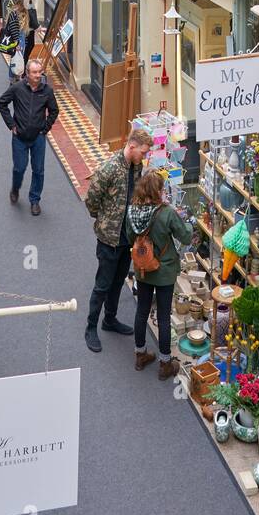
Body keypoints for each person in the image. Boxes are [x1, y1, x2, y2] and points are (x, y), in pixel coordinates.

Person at [82, 127, 151, 353]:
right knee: (102, 284)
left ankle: (109, 320)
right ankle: (91, 327)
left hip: (126, 238)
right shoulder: (109, 169)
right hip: (109, 238)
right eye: (143, 152)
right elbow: (91, 200)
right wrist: (104, 220)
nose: (145, 156)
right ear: (131, 147)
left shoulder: (136, 166)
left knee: (118, 281)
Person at [126, 169, 193, 379]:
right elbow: (186, 237)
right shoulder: (166, 213)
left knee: (142, 311)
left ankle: (140, 354)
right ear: (158, 191)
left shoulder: (132, 212)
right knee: (164, 317)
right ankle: (165, 364)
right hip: (164, 271)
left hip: (143, 269)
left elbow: (130, 238)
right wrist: (189, 225)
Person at [0, 58, 59, 217]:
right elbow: (2, 103)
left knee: (38, 170)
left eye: (40, 72)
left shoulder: (47, 91)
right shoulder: (17, 88)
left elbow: (54, 111)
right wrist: (11, 125)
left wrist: (45, 129)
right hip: (20, 138)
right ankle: (15, 189)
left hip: (38, 137)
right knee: (19, 167)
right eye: (34, 72)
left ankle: (35, 200)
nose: (38, 75)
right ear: (27, 73)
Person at [0, 0, 40, 75]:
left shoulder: (24, 12)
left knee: (19, 58)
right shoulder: (14, 13)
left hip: (21, 39)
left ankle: (19, 74)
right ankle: (13, 77)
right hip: (17, 40)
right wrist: (16, 43)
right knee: (15, 59)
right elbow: (13, 28)